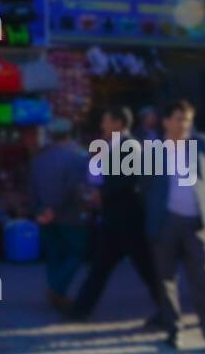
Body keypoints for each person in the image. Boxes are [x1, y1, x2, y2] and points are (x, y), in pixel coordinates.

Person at [142, 99, 205, 354]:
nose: (184, 124)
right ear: (166, 121)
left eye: (187, 118)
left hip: (195, 221)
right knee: (166, 279)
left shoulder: (202, 144)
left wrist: (202, 207)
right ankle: (173, 328)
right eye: (178, 118)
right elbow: (145, 185)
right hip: (165, 221)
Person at [67, 106, 164, 324]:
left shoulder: (129, 146)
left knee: (145, 266)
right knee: (101, 265)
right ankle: (80, 309)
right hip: (114, 217)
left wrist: (101, 194)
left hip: (128, 217)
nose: (102, 125)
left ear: (119, 123)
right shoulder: (114, 145)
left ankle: (167, 310)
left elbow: (129, 181)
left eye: (106, 120)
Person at [29, 118, 90, 310]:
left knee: (54, 255)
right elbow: (74, 188)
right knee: (76, 253)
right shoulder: (78, 155)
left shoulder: (39, 158)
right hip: (70, 215)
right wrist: (54, 210)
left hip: (45, 215)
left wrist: (40, 211)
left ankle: (57, 292)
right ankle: (57, 290)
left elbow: (33, 189)